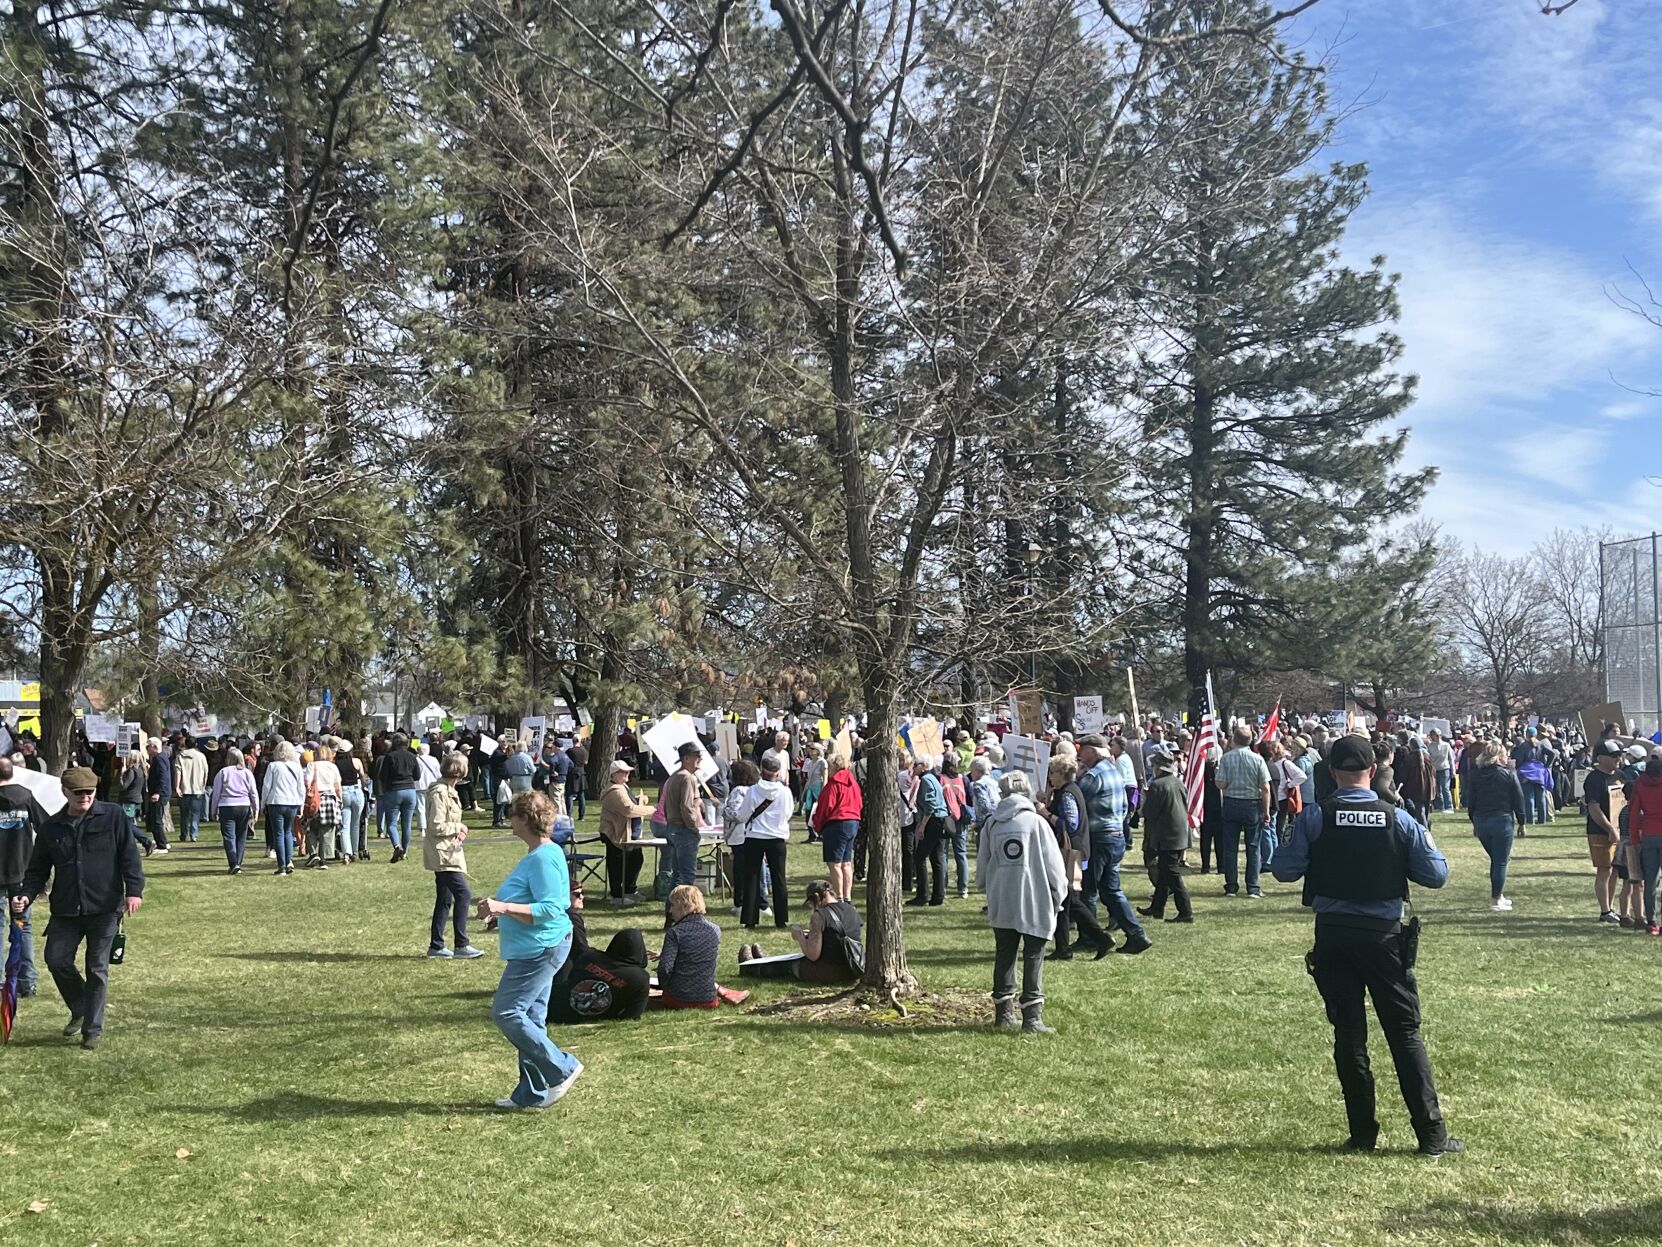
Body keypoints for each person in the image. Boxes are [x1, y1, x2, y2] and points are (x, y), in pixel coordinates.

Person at [1272, 734, 1462, 1157]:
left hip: (1334, 935)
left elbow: (1283, 870)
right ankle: (1431, 1136)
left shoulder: (1316, 817)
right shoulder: (1398, 818)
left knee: (1349, 1034)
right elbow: (1436, 875)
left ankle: (1362, 1135)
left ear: (1332, 772)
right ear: (1372, 772)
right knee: (1405, 1034)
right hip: (1382, 936)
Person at [13, 766, 145, 1050]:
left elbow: (129, 856)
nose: (85, 797)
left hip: (105, 907)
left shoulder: (113, 817)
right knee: (56, 959)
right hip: (66, 908)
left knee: (97, 968)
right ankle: (81, 1006)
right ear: (65, 792)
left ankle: (92, 1030)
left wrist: (134, 891)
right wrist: (25, 894)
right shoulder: (52, 827)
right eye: (78, 793)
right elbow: (37, 870)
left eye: (90, 791)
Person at [476, 790, 583, 1109]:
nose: (508, 819)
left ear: (525, 819)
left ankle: (563, 1067)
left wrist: (503, 907)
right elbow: (531, 901)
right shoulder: (537, 854)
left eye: (512, 814)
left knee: (507, 1012)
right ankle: (531, 1094)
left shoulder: (545, 857)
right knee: (531, 1019)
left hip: (541, 948)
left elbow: (553, 907)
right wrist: (500, 915)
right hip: (532, 947)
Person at [978, 770, 1068, 1034]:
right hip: (1033, 895)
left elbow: (983, 866)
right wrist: (1059, 893)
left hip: (1002, 895)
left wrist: (986, 887)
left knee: (1004, 953)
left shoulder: (992, 824)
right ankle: (1032, 1018)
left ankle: (1004, 1012)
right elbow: (1054, 864)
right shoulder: (1036, 823)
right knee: (1033, 954)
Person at [1076, 734, 1151, 953]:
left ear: (1092, 751)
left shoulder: (1093, 775)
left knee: (1088, 890)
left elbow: (1076, 800)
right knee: (1110, 889)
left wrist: (1079, 775)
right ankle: (1136, 934)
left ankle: (1090, 938)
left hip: (1098, 838)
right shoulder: (1114, 771)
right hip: (1116, 836)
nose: (1080, 754)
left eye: (1083, 749)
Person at [547, 886, 651, 1022]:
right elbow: (633, 1015)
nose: (582, 896)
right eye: (577, 894)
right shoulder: (640, 979)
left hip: (564, 1014)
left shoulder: (589, 957)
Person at [1043, 755, 1111, 960]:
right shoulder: (1065, 791)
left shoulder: (1067, 795)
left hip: (1071, 852)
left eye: (1052, 773)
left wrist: (1046, 813)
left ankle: (1100, 937)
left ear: (1062, 773)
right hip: (1074, 851)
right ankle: (1063, 948)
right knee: (1064, 901)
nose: (1050, 777)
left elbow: (1070, 825)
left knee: (1068, 899)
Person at [738, 879, 864, 983]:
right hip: (851, 970)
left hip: (829, 971)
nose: (811, 908)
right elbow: (841, 933)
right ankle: (760, 961)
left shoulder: (819, 916)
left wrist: (799, 937)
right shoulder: (851, 909)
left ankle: (750, 967)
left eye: (811, 904)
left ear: (816, 898)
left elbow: (812, 955)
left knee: (791, 965)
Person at [425, 750, 483, 959]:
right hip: (444, 854)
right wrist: (458, 826)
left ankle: (437, 945)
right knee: (464, 894)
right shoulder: (440, 792)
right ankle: (461, 944)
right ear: (461, 770)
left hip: (449, 850)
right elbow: (435, 825)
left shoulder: (449, 789)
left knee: (445, 898)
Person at [0, 758, 45, 999]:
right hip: (22, 870)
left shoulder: (26, 795)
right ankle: (27, 982)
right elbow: (45, 825)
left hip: (9, 871)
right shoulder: (26, 796)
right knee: (23, 927)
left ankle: (6, 982)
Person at [732, 754, 792, 929]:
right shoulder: (785, 792)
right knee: (779, 878)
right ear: (778, 772)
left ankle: (750, 919)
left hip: (755, 836)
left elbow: (743, 815)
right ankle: (781, 919)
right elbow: (787, 814)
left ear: (761, 770)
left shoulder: (753, 791)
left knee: (751, 877)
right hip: (777, 837)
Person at [1464, 740, 1524, 912]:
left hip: (1482, 821)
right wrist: (1522, 821)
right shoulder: (1509, 774)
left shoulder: (1476, 775)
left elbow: (1471, 800)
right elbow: (1518, 800)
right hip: (1502, 820)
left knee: (1497, 860)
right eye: (1505, 754)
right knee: (1500, 861)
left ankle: (1499, 895)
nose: (1507, 756)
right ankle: (1496, 898)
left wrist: (1473, 821)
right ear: (1498, 756)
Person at [1135, 747, 1194, 923]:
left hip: (1168, 835)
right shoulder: (1178, 782)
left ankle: (1186, 911)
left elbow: (1150, 813)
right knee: (1164, 871)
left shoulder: (1158, 785)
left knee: (1171, 873)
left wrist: (1147, 799)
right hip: (1179, 832)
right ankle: (1157, 907)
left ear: (1158, 768)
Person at [1215, 724, 1271, 898]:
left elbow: (1221, 784)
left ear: (1234, 739)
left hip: (1232, 803)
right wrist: (1266, 810)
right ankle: (1253, 887)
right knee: (1253, 847)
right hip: (1252, 805)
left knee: (1230, 848)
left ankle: (1231, 886)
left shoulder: (1226, 758)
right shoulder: (1258, 759)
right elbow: (1265, 787)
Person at [598, 759, 653, 905]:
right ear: (614, 774)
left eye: (628, 771)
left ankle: (629, 890)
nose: (627, 774)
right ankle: (617, 895)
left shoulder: (622, 787)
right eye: (624, 772)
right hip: (615, 833)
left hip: (627, 833)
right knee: (617, 864)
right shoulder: (615, 790)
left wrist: (640, 799)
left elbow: (630, 803)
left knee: (635, 860)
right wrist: (651, 810)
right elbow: (628, 809)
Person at [657, 883, 721, 1008]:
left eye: (673, 905)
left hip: (678, 998)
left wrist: (666, 986)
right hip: (708, 998)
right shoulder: (715, 930)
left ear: (683, 906)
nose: (671, 911)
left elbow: (665, 969)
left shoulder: (675, 933)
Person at [810, 752, 861, 902]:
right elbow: (859, 803)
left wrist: (817, 824)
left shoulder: (834, 784)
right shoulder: (853, 783)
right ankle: (847, 896)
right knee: (846, 862)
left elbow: (826, 806)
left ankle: (839, 897)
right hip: (853, 821)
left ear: (833, 766)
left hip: (837, 823)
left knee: (835, 863)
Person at [1585, 739, 1624, 924]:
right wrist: (1609, 828)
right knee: (1604, 870)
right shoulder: (1594, 779)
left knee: (1615, 870)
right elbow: (1594, 808)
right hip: (1600, 831)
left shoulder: (1621, 776)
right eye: (1613, 755)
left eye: (1619, 754)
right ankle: (1604, 911)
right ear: (1600, 758)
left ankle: (1611, 906)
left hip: (1619, 830)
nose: (1618, 758)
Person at [660, 741, 707, 890]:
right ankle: (684, 911)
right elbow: (686, 807)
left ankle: (671, 911)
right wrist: (693, 828)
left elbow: (667, 805)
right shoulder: (687, 778)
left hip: (674, 827)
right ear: (686, 759)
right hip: (683, 828)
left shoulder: (674, 776)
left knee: (677, 874)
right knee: (687, 876)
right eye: (696, 756)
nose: (700, 760)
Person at [208, 747, 260, 874]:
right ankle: (238, 862)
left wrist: (213, 810)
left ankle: (233, 863)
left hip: (227, 805)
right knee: (241, 835)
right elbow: (253, 792)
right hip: (243, 805)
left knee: (229, 836)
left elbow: (216, 794)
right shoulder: (247, 773)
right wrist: (256, 808)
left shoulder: (223, 772)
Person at [907, 756, 949, 908]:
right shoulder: (932, 778)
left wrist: (922, 826)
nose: (914, 767)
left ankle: (923, 895)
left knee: (919, 857)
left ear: (924, 766)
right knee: (936, 858)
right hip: (939, 819)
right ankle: (938, 896)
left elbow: (930, 806)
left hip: (933, 821)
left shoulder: (926, 780)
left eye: (916, 765)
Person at [260, 740, 306, 876]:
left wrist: (263, 803)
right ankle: (288, 860)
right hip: (292, 802)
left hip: (276, 802)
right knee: (287, 832)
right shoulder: (297, 767)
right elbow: (301, 788)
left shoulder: (273, 766)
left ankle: (282, 866)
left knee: (278, 834)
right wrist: (301, 805)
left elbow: (267, 786)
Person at [376, 734, 421, 863]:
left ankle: (397, 845)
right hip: (410, 790)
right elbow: (417, 775)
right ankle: (405, 851)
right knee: (407, 824)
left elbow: (383, 776)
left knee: (391, 823)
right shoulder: (412, 757)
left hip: (394, 791)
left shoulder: (389, 757)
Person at [304, 743, 344, 869]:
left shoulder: (312, 765)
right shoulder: (333, 767)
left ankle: (313, 852)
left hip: (315, 800)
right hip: (330, 800)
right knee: (326, 831)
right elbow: (338, 787)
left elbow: (307, 783)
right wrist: (340, 800)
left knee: (309, 827)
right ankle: (323, 860)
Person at [1511, 727, 1554, 826]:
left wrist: (1518, 768)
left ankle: (1530, 820)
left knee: (1529, 797)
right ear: (1536, 735)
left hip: (1526, 773)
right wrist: (1547, 765)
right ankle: (1542, 820)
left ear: (1526, 735)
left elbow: (1519, 760)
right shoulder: (1540, 745)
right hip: (1539, 772)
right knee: (1541, 798)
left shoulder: (1523, 746)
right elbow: (1552, 754)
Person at [337, 739, 367, 862]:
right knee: (355, 824)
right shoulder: (356, 761)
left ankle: (346, 853)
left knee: (345, 825)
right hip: (356, 791)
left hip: (343, 792)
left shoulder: (336, 764)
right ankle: (354, 850)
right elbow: (362, 776)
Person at [174, 738, 208, 843]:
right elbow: (206, 772)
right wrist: (203, 785)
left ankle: (183, 834)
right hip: (197, 789)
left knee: (184, 813)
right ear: (196, 744)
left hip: (185, 788)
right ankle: (194, 834)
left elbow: (178, 772)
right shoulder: (201, 756)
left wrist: (177, 786)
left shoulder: (180, 756)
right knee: (196, 813)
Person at [144, 736, 173, 855]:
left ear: (155, 747)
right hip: (160, 792)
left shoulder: (160, 759)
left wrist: (157, 792)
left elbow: (163, 777)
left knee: (156, 819)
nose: (147, 749)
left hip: (160, 793)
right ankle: (163, 841)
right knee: (155, 818)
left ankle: (161, 845)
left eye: (148, 746)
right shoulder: (159, 758)